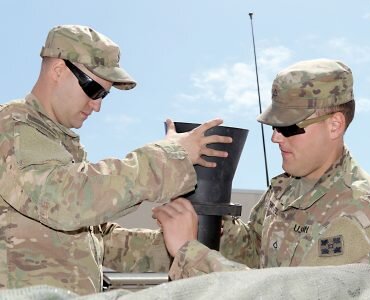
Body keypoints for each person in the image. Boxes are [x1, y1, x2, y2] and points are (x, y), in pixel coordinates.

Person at [0, 25, 232, 295]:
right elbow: (64, 202)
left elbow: (99, 240)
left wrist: (183, 242)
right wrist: (169, 155)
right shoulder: (12, 127)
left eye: (104, 95)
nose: (97, 105)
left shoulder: (61, 147)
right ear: (58, 70)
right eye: (93, 89)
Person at [153, 58, 370, 280]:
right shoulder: (285, 189)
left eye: (288, 127)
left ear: (334, 125)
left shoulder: (364, 214)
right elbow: (253, 248)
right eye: (273, 126)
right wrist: (204, 220)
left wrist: (189, 252)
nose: (275, 138)